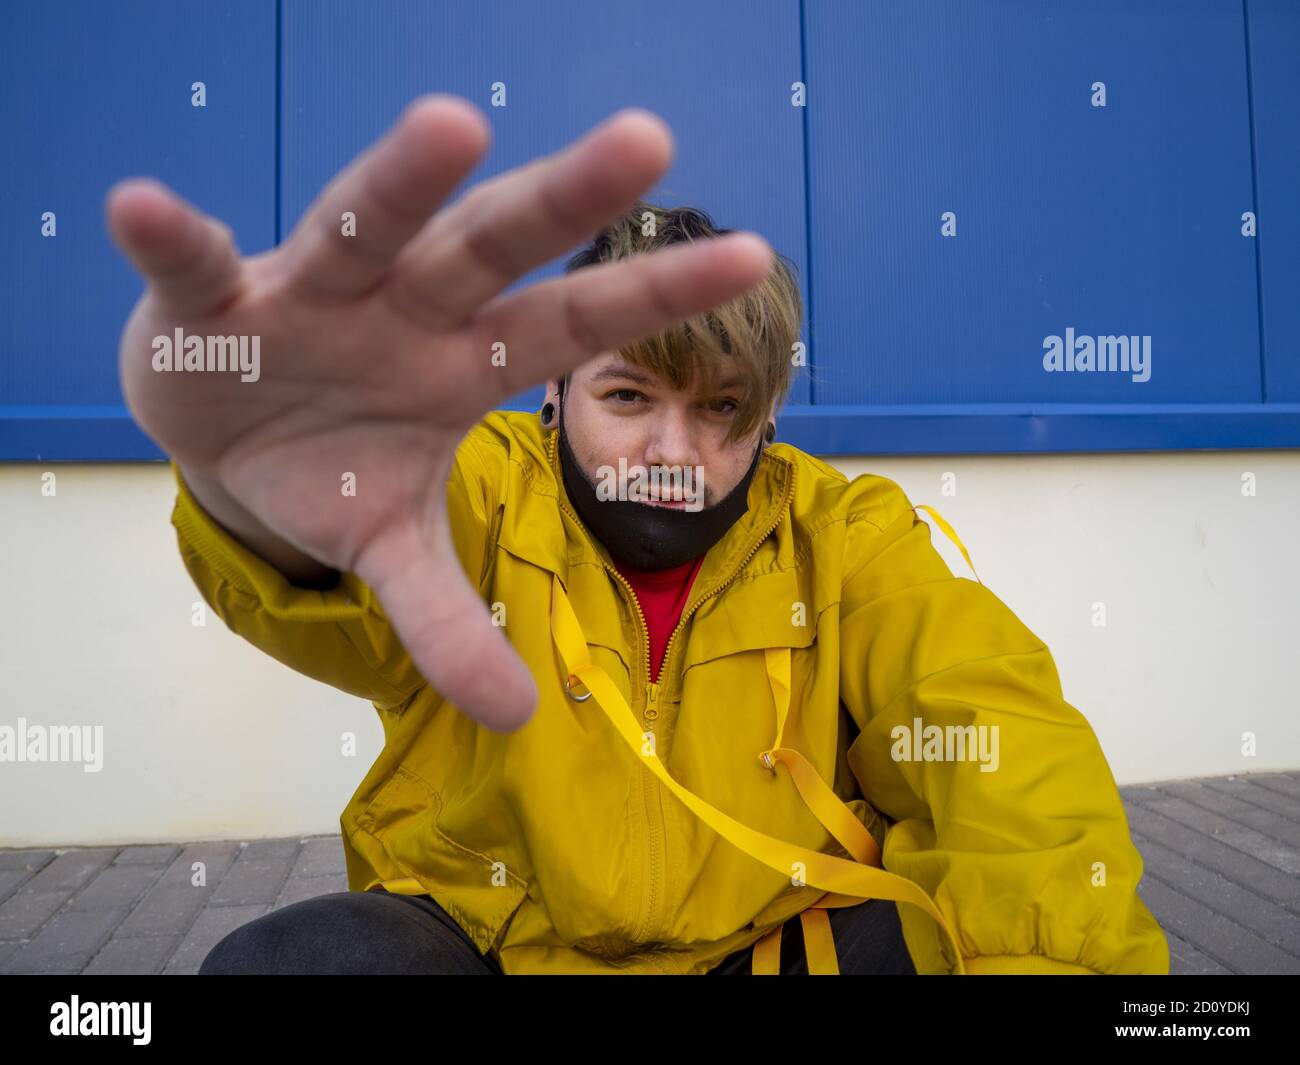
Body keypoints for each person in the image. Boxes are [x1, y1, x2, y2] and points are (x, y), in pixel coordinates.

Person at [107, 95, 1169, 975]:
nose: (672, 449)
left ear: (766, 421)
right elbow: (357, 534)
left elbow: (999, 746)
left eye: (720, 410)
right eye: (628, 395)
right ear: (553, 396)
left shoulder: (843, 535)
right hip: (495, 945)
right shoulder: (487, 491)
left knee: (971, 933)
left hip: (768, 946)